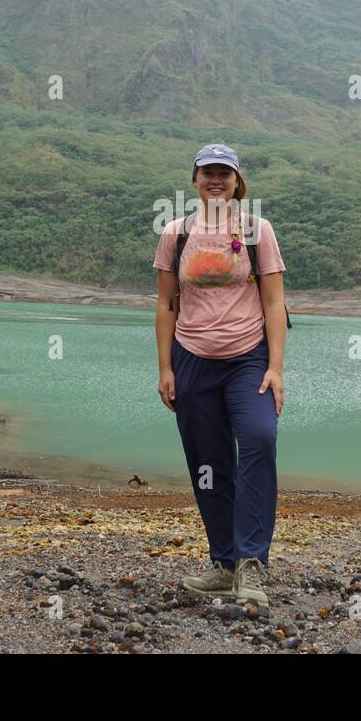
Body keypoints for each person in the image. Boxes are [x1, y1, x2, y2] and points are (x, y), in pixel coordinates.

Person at [153, 143, 287, 607]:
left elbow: (273, 302)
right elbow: (167, 303)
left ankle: (252, 565)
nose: (216, 180)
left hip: (248, 358)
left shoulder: (256, 229)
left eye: (224, 173)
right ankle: (223, 562)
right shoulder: (177, 232)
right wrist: (166, 367)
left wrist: (275, 367)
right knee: (208, 463)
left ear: (237, 181)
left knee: (259, 440)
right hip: (192, 359)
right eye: (208, 172)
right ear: (194, 178)